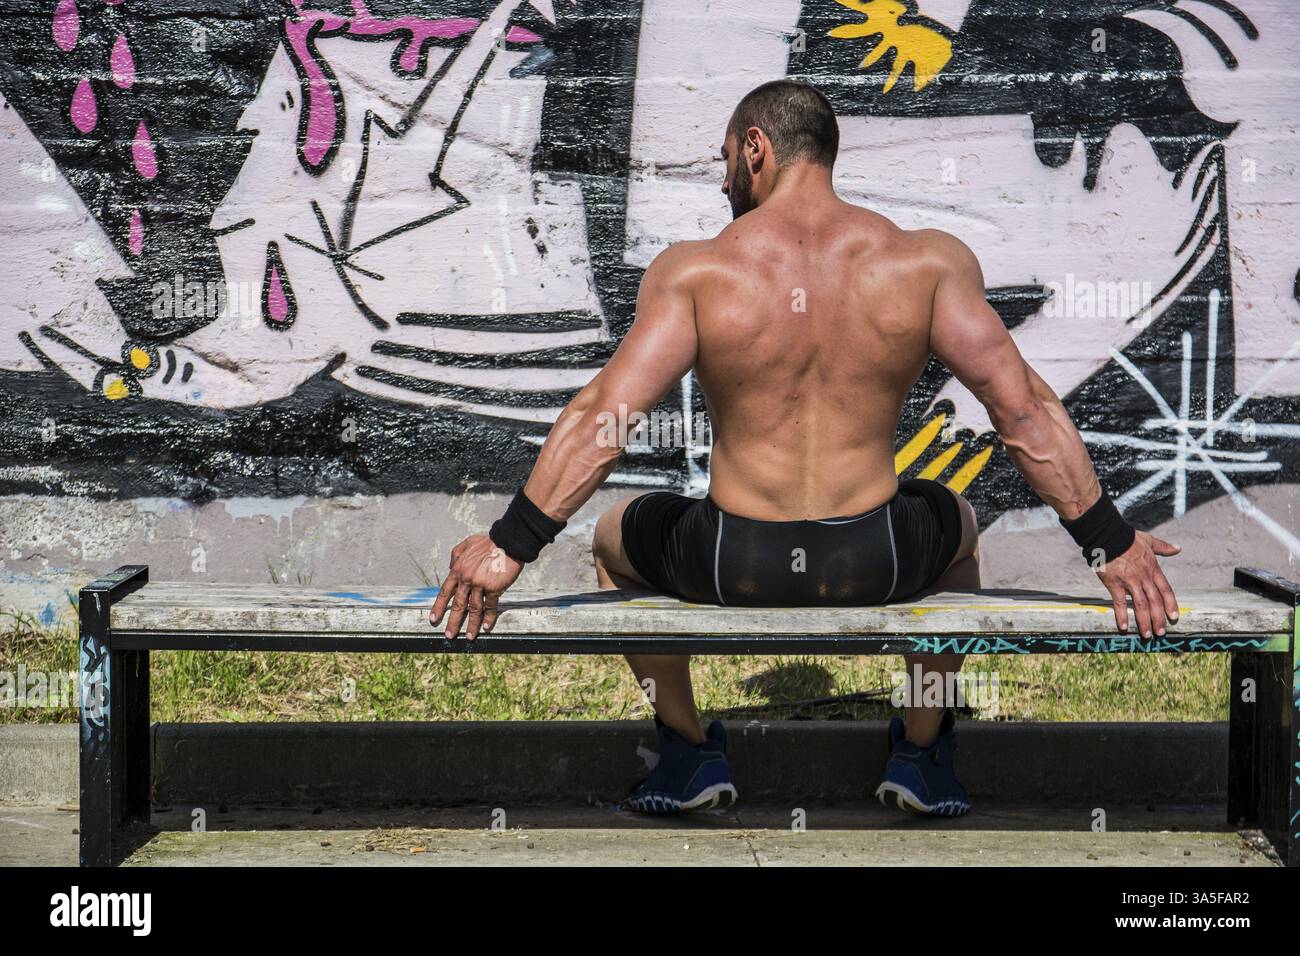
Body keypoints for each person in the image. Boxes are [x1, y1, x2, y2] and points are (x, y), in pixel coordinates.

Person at [430, 79, 1181, 816]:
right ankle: (922, 751)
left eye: (726, 157)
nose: (724, 179)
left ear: (757, 148)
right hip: (875, 558)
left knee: (612, 537)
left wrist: (511, 545)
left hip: (735, 561)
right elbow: (1021, 411)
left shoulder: (698, 271)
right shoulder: (926, 263)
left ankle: (687, 748)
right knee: (954, 523)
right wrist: (1106, 540)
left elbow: (605, 414)